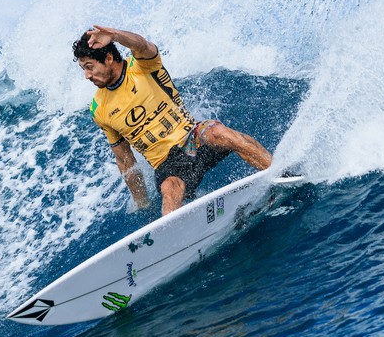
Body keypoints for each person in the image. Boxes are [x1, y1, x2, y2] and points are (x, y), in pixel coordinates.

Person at [73, 25, 273, 216]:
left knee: (218, 132)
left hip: (192, 137)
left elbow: (141, 44)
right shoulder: (99, 109)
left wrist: (115, 35)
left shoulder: (141, 65)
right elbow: (124, 159)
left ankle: (277, 171)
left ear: (109, 58)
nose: (87, 76)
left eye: (89, 67)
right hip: (166, 163)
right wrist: (142, 203)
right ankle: (177, 234)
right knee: (169, 187)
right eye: (83, 69)